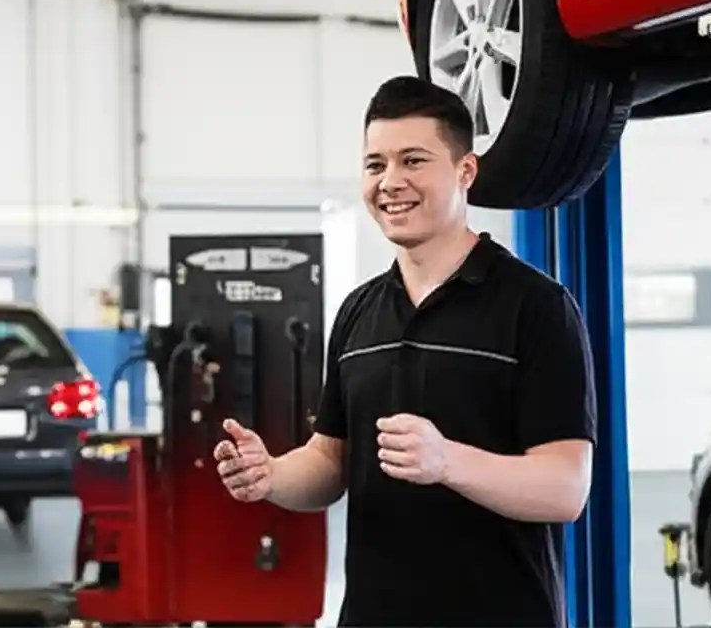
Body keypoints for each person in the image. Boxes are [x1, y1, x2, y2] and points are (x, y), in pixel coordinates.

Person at [213, 75, 597, 627]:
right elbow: (330, 461)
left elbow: (565, 489)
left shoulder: (537, 308)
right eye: (375, 165)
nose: (391, 181)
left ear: (465, 171)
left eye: (413, 160)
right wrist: (272, 475)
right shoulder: (358, 313)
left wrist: (447, 461)